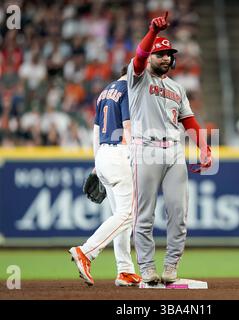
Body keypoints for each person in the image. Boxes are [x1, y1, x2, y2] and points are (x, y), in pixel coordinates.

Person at [127, 12, 212, 283]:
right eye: (159, 54)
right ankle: (147, 267)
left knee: (178, 213)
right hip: (146, 150)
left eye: (168, 55)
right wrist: (152, 31)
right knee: (145, 215)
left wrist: (204, 148)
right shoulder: (138, 79)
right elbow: (139, 57)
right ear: (151, 57)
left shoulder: (177, 88)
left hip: (175, 152)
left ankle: (171, 265)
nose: (165, 58)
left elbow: (189, 121)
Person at [69, 66, 141, 287]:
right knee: (128, 215)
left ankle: (125, 271)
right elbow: (128, 128)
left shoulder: (104, 92)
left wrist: (97, 165)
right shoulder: (129, 89)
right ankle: (86, 251)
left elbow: (96, 131)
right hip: (121, 154)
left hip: (104, 155)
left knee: (121, 216)